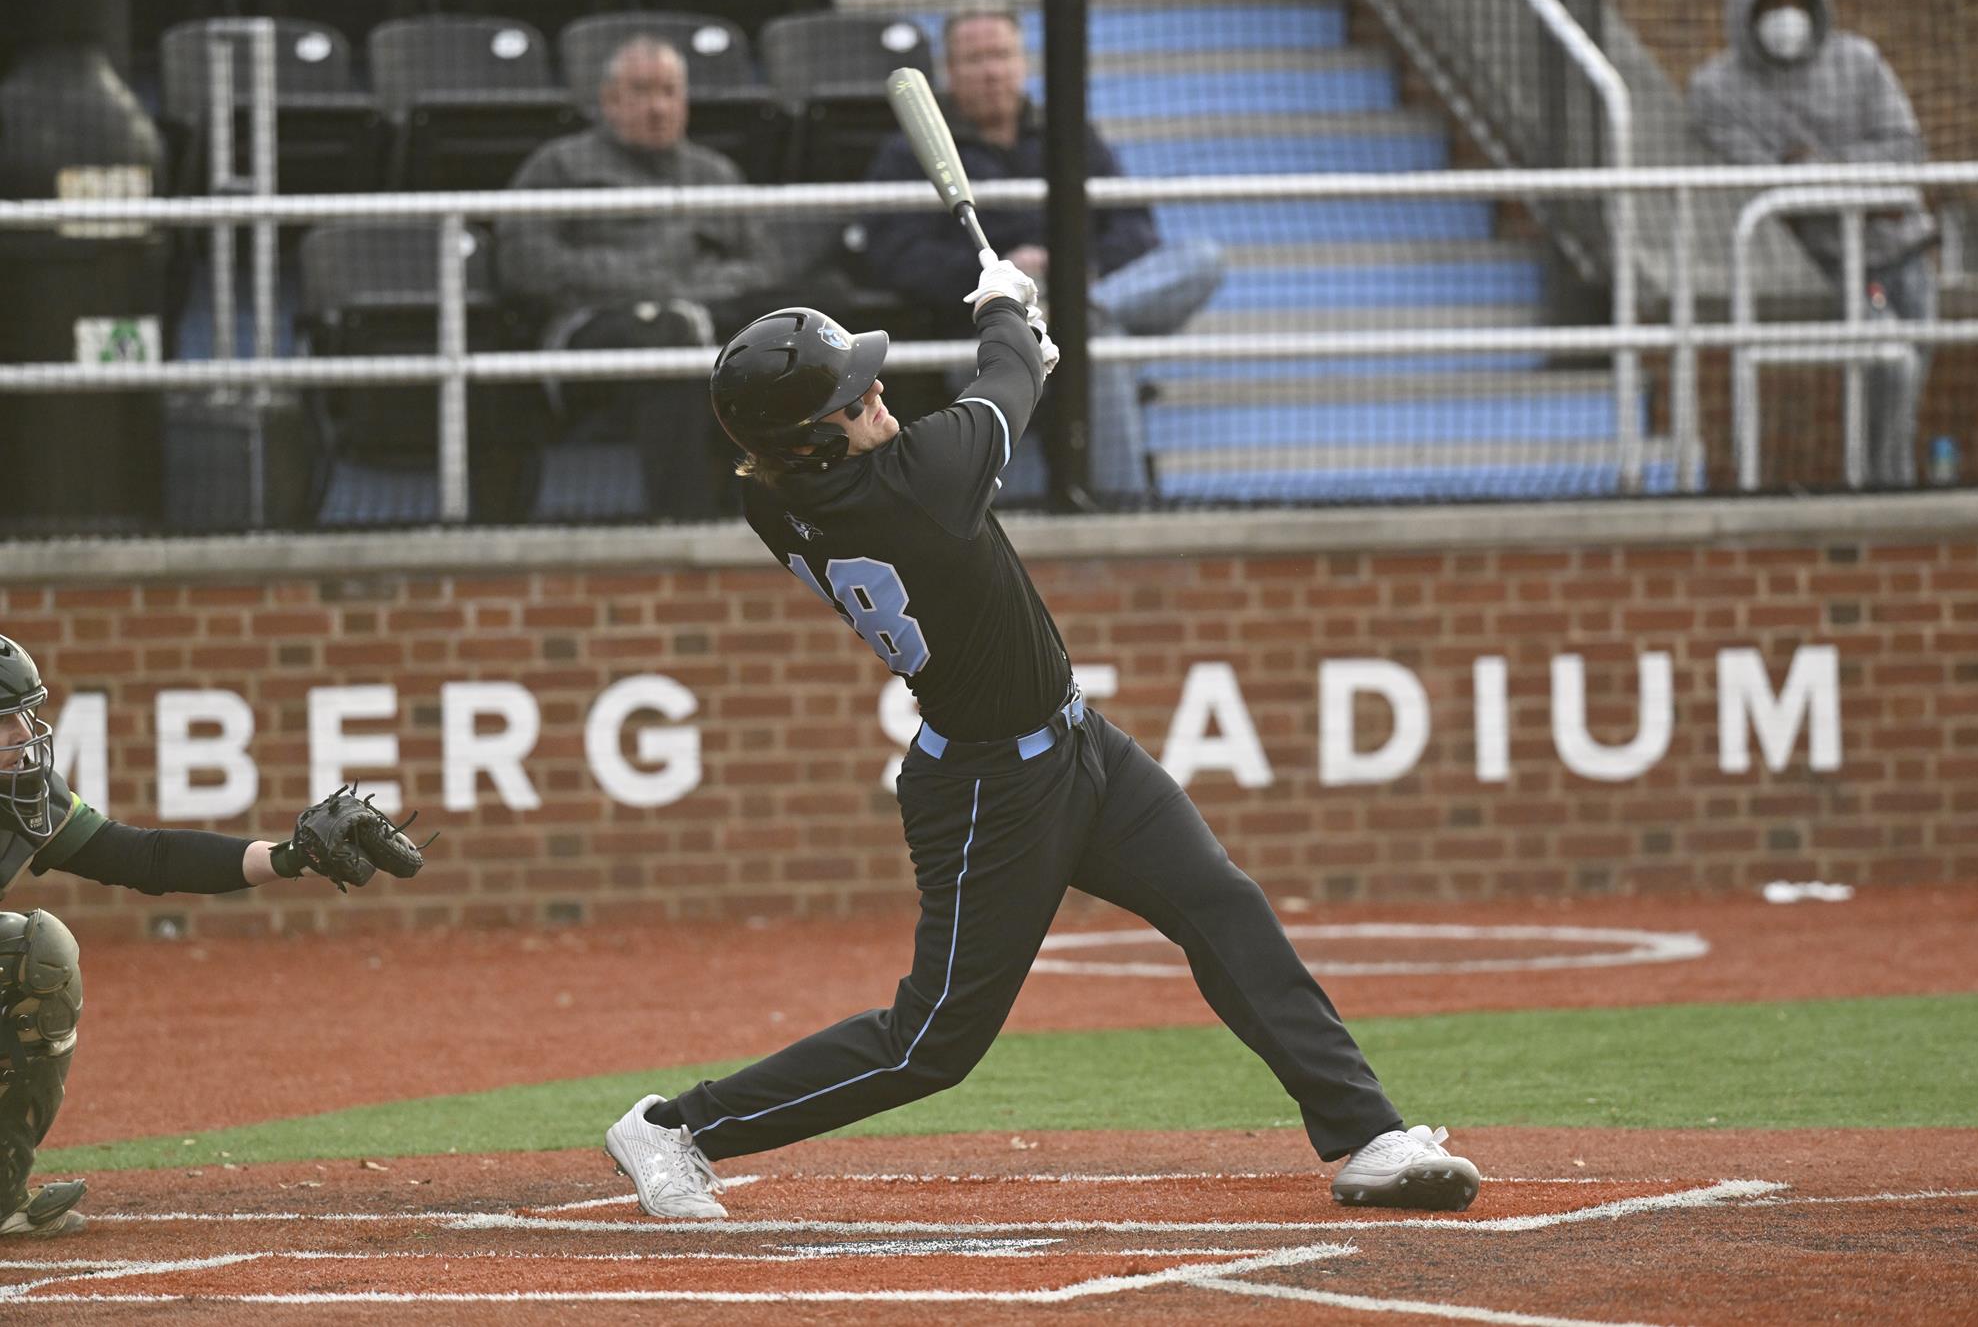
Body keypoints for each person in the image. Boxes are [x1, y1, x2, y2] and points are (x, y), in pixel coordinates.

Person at [600, 257, 1479, 1221]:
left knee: (1220, 904)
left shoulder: (783, 492)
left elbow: (1001, 397)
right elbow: (1005, 383)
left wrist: (1021, 350)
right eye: (852, 399)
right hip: (988, 788)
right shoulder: (912, 487)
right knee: (930, 1042)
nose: (877, 394)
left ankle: (1369, 1131)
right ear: (812, 444)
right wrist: (1009, 308)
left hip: (1080, 746)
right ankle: (678, 1127)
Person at [0, 633, 431, 1238]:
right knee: (19, 948)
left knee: (35, 958)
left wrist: (287, 858)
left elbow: (146, 858)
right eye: (4, 720)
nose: (23, 733)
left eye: (25, 713)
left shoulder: (23, 796)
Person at [862, 7, 1225, 507]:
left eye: (1001, 55)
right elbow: (894, 255)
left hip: (1082, 287)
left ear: (1021, 62)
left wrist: (1067, 266)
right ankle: (1126, 507)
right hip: (985, 325)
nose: (991, 70)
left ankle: (1073, 315)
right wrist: (1004, 272)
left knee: (1201, 258)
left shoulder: (1069, 133)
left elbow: (1135, 230)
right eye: (974, 59)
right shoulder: (908, 153)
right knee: (1096, 338)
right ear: (949, 70)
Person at [498, 36, 782, 520]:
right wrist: (655, 290)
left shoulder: (715, 174)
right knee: (665, 334)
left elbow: (765, 266)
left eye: (670, 92)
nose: (658, 107)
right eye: (642, 91)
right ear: (609, 101)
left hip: (706, 322)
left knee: (790, 334)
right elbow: (526, 262)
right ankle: (686, 528)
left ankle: (801, 523)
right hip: (592, 334)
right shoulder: (560, 165)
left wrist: (687, 301)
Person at [1690, 0, 1940, 487]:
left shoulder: (1859, 60)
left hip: (1906, 254)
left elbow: (1907, 150)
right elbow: (1768, 184)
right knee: (1891, 365)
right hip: (1833, 270)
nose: (1787, 15)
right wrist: (1864, 193)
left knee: (1908, 385)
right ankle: (1880, 492)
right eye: (1771, 4)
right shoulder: (1716, 89)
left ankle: (1888, 487)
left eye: (1795, 0)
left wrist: (1818, 169)